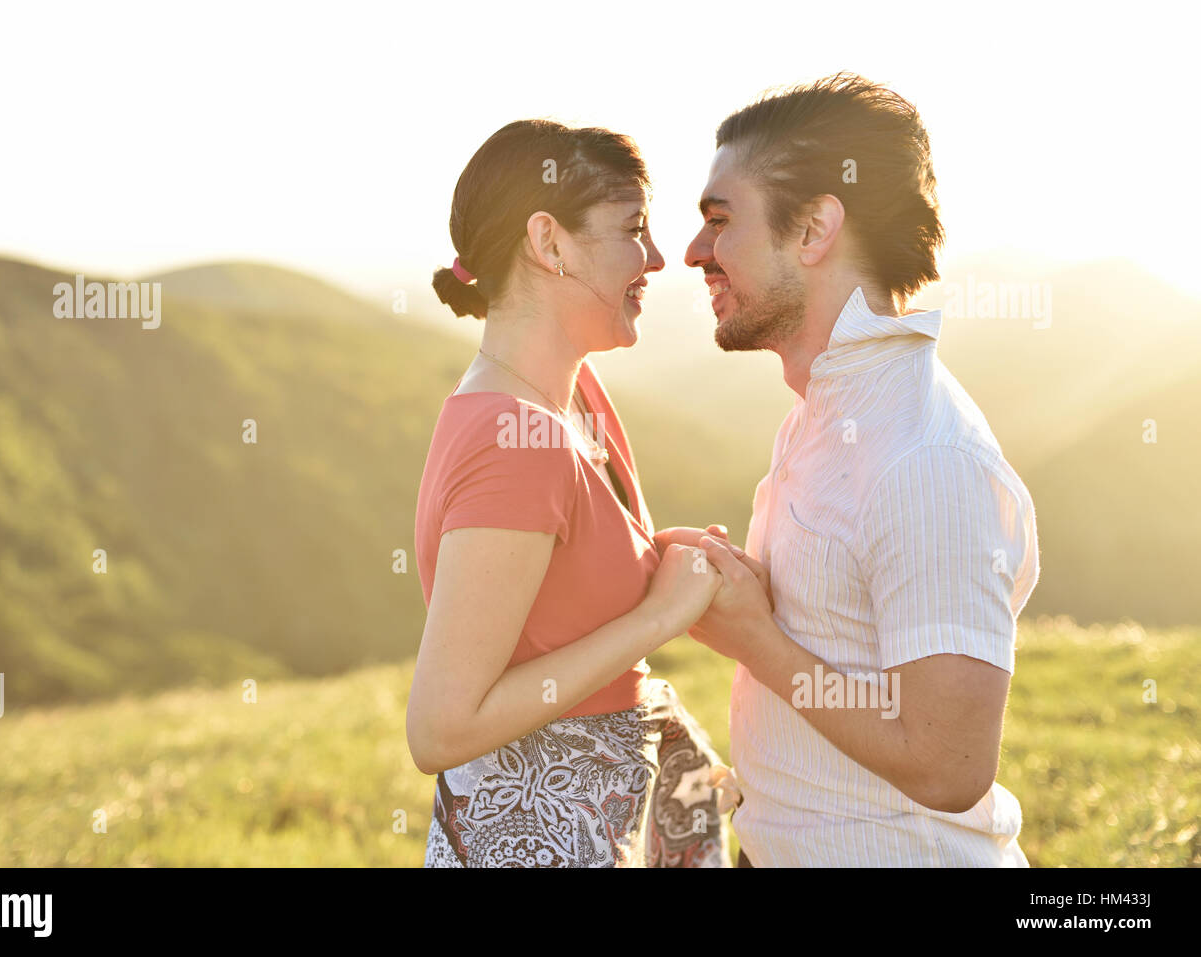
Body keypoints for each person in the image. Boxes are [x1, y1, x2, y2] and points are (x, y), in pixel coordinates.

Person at [670, 73, 1041, 866]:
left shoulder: (925, 458)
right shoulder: (820, 417)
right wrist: (750, 596)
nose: (695, 251)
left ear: (813, 229)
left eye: (719, 220)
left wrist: (755, 638)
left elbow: (949, 765)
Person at [408, 119, 738, 867]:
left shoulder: (576, 395)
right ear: (549, 242)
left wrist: (667, 563)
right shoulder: (514, 438)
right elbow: (440, 728)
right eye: (634, 228)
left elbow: (563, 598)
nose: (657, 258)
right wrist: (659, 615)